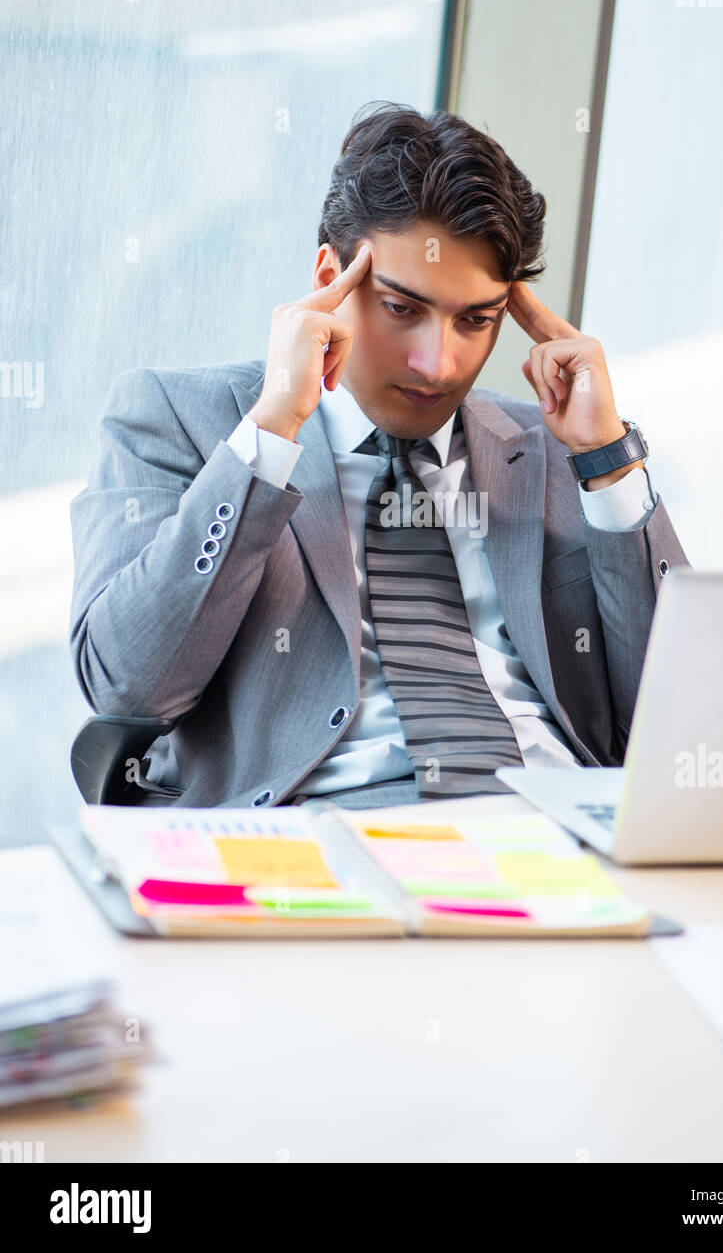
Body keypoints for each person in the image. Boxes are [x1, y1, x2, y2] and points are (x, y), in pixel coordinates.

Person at [68, 100, 689, 810]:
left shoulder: (555, 446)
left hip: (549, 824)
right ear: (329, 277)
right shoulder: (180, 418)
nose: (437, 363)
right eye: (401, 309)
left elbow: (680, 724)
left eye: (475, 320)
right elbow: (127, 684)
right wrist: (270, 434)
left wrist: (607, 462)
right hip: (311, 839)